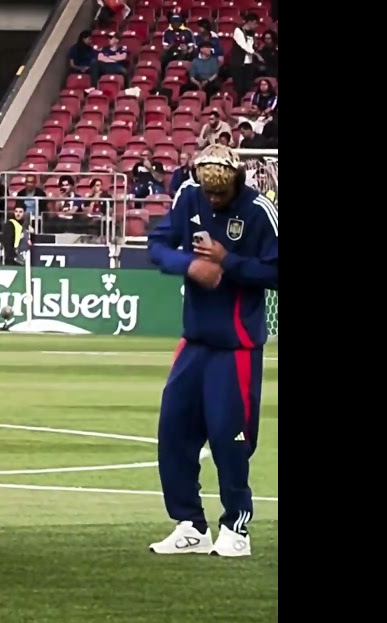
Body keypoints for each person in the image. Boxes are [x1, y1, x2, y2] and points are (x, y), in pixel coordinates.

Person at [145, 144, 278, 558]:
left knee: (229, 437)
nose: (213, 200)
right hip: (195, 341)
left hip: (236, 345)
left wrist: (229, 262)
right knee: (173, 431)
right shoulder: (189, 195)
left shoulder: (259, 212)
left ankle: (237, 527)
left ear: (237, 182)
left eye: (220, 195)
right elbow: (157, 245)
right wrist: (189, 265)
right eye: (209, 194)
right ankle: (190, 524)